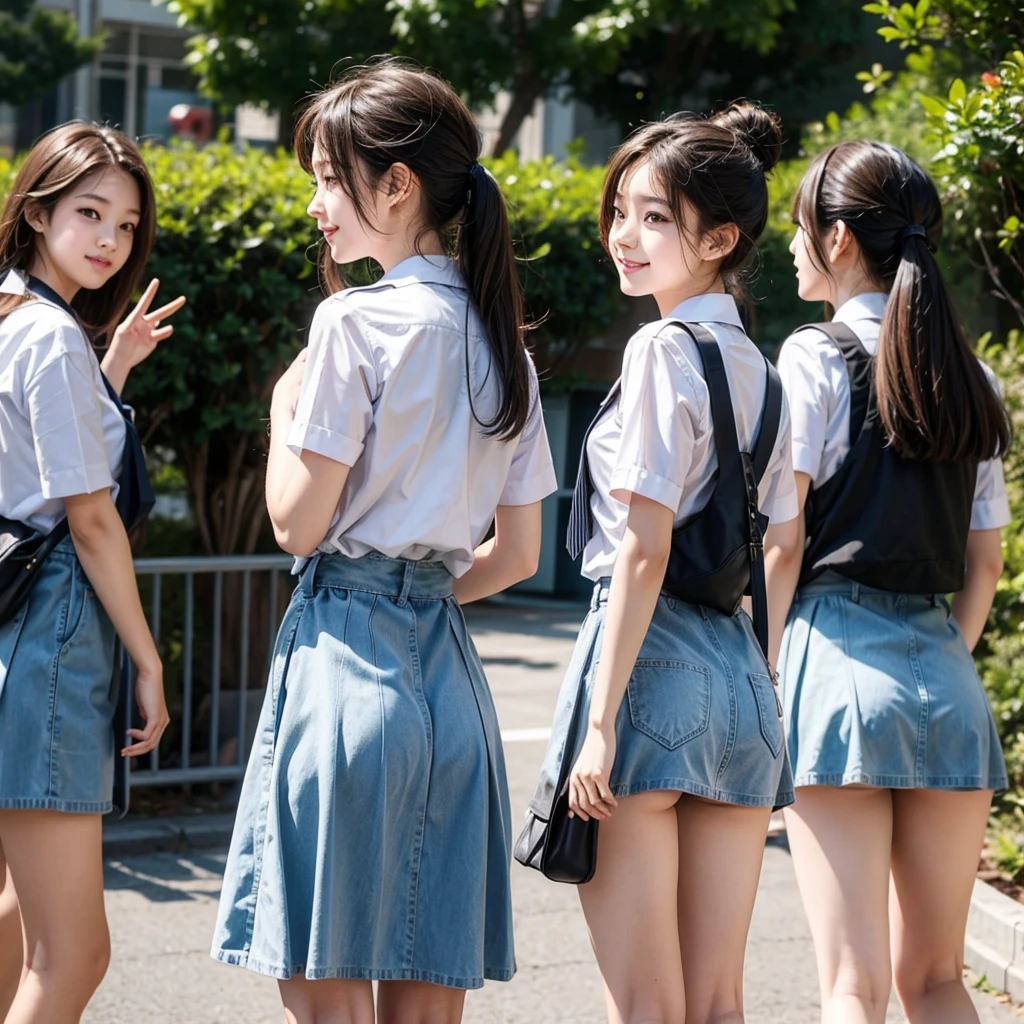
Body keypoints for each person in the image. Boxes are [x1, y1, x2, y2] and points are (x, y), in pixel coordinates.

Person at [210, 59, 557, 1024]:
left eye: (329, 176)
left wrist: (284, 411)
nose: (317, 202)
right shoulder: (506, 350)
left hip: (346, 666)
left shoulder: (352, 324)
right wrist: (426, 592)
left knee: (324, 989)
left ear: (396, 185)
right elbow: (521, 555)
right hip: (450, 687)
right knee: (424, 991)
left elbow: (295, 521)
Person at [525, 103, 799, 1024]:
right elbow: (777, 543)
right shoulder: (762, 369)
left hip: (649, 671)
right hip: (740, 683)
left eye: (654, 218)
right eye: (621, 212)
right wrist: (757, 679)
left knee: (646, 1003)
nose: (624, 237)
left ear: (720, 237)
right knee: (717, 1000)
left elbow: (642, 548)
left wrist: (599, 726)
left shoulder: (658, 349)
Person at [765, 139, 1011, 1024]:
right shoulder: (973, 380)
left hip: (835, 672)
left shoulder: (814, 358)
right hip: (948, 678)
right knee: (937, 980)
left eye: (799, 229)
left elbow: (781, 546)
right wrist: (942, 655)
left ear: (837, 240)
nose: (790, 246)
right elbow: (984, 564)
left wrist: (762, 670)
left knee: (851, 987)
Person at [0, 121, 181, 1023]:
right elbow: (90, 516)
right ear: (37, 210)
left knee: (10, 916)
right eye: (89, 213)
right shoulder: (49, 338)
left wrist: (108, 368)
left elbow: (25, 468)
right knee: (73, 953)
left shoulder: (16, 321)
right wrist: (147, 658)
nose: (110, 239)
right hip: (55, 625)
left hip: (11, 621)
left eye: (125, 223)